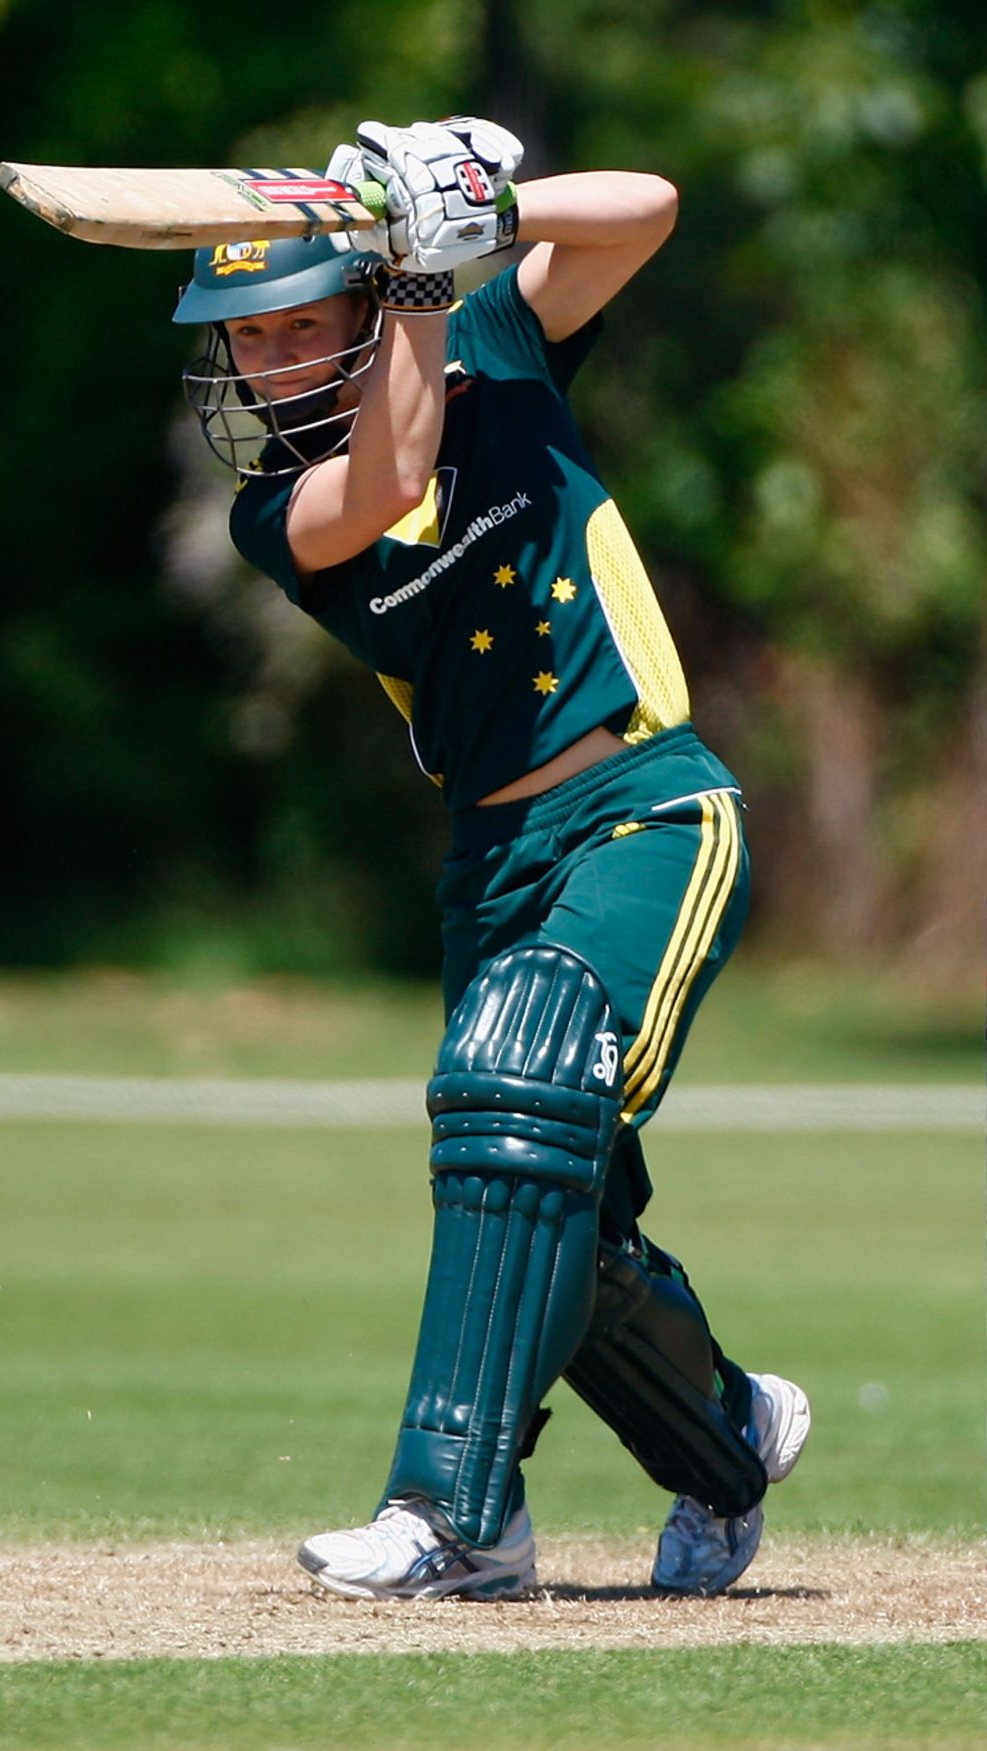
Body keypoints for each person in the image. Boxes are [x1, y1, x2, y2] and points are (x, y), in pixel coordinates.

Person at [174, 117, 810, 1601]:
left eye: (289, 325)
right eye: (242, 341)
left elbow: (646, 203)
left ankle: (458, 1518)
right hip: (496, 860)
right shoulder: (279, 512)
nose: (264, 364)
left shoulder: (495, 346)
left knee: (524, 1086)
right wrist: (406, 279)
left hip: (646, 806)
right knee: (549, 1213)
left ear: (361, 298)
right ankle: (729, 1441)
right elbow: (390, 481)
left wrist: (473, 207)